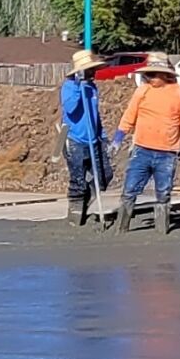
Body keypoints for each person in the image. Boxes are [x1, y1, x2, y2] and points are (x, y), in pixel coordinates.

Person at [115, 53, 180, 235]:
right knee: (129, 190)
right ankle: (121, 228)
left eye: (153, 74)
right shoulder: (142, 91)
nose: (150, 78)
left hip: (167, 153)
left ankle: (161, 229)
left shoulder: (178, 93)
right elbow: (129, 116)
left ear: (165, 74)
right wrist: (118, 138)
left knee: (163, 193)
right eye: (148, 74)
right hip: (141, 149)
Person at [59, 49, 112, 227]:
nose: (93, 73)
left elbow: (94, 114)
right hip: (74, 139)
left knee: (105, 175)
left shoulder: (92, 87)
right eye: (90, 70)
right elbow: (71, 109)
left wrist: (103, 136)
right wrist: (78, 87)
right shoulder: (69, 87)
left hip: (94, 138)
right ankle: (75, 217)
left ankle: (85, 200)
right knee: (78, 180)